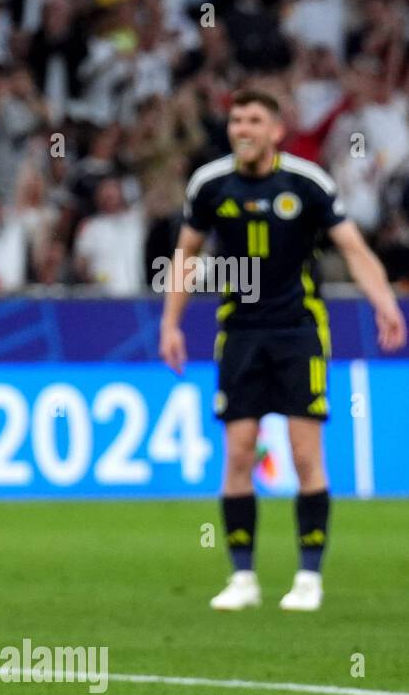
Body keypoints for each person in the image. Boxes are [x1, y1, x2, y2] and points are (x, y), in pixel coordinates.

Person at [159, 88, 406, 612]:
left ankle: (309, 576)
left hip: (299, 330)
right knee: (240, 455)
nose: (242, 129)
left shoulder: (306, 183)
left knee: (303, 456)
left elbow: (354, 250)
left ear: (276, 131)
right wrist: (171, 324)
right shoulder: (209, 184)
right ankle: (243, 577)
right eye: (235, 120)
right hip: (240, 332)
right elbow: (185, 257)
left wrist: (384, 303)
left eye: (253, 120)